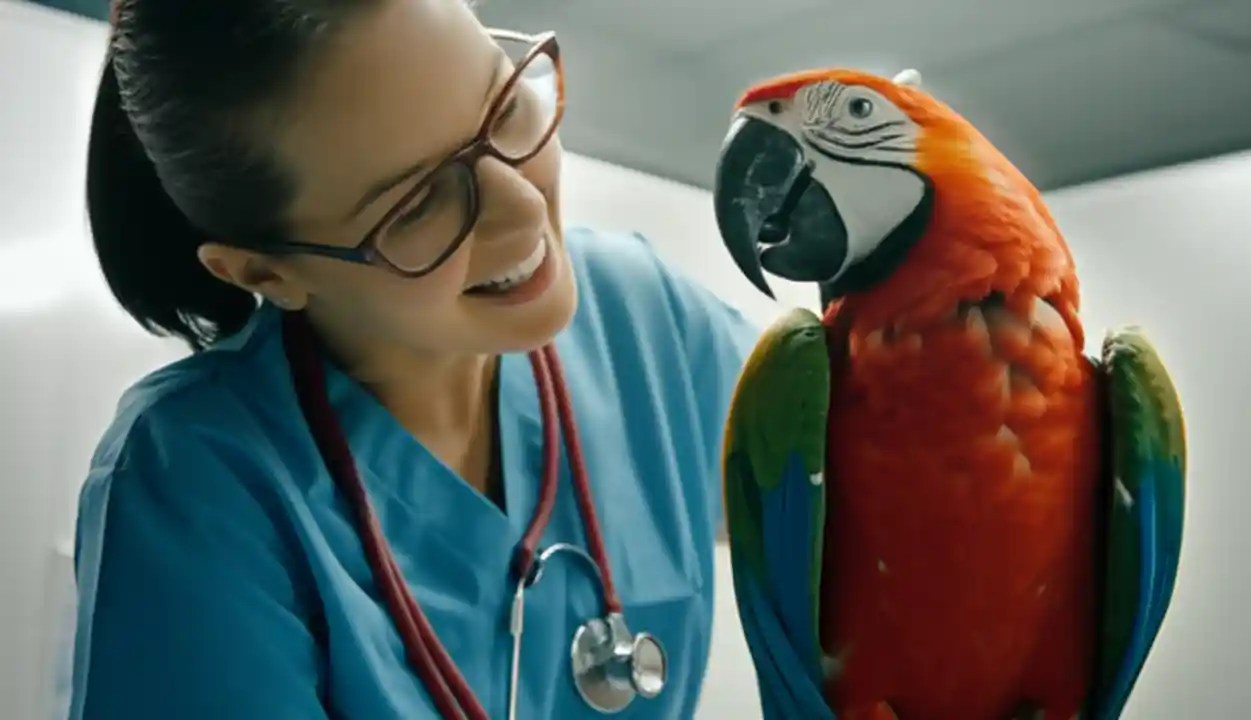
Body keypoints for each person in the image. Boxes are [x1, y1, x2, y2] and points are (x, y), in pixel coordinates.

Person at [68, 0, 760, 717]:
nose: (523, 207)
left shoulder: (644, 323)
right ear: (266, 274)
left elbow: (860, 497)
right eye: (420, 203)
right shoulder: (199, 482)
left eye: (506, 106)